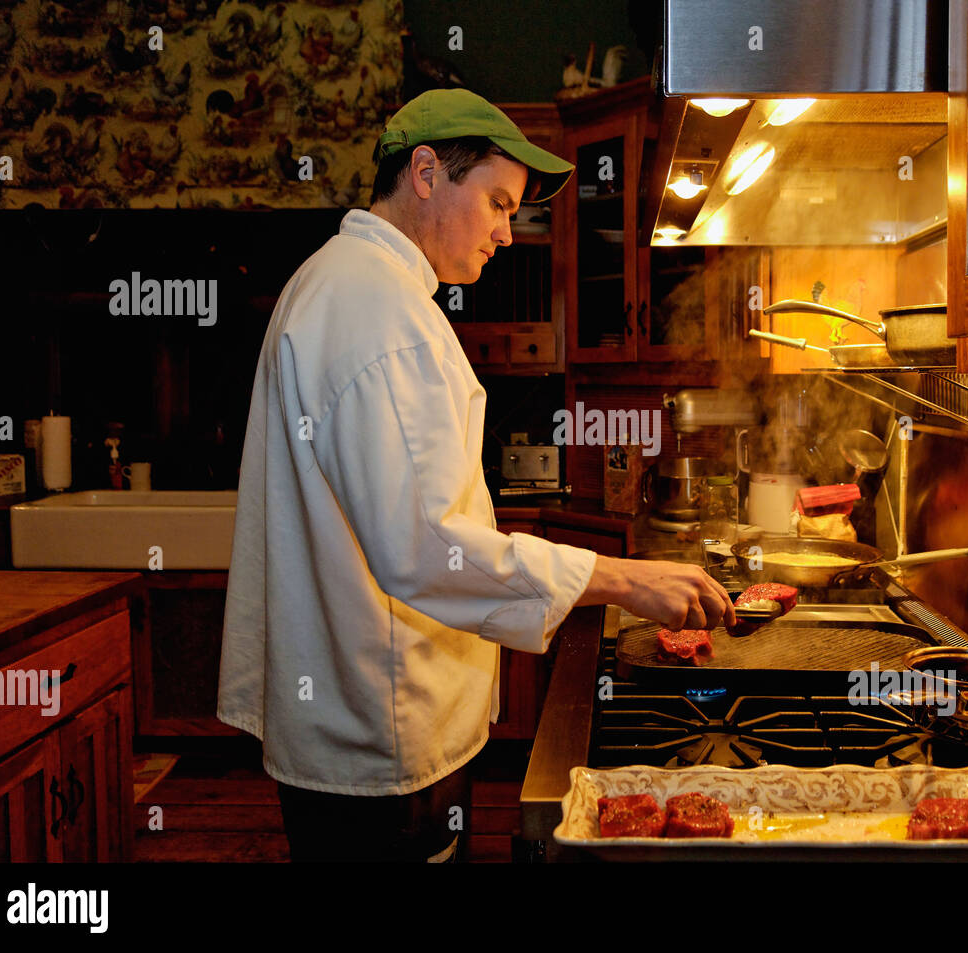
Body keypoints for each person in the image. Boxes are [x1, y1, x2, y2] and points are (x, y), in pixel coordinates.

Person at [217, 88, 735, 863]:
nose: (506, 230)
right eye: (497, 202)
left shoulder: (346, 284)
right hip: (382, 738)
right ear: (425, 172)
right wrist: (622, 578)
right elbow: (426, 548)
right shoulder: (375, 310)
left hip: (358, 721)